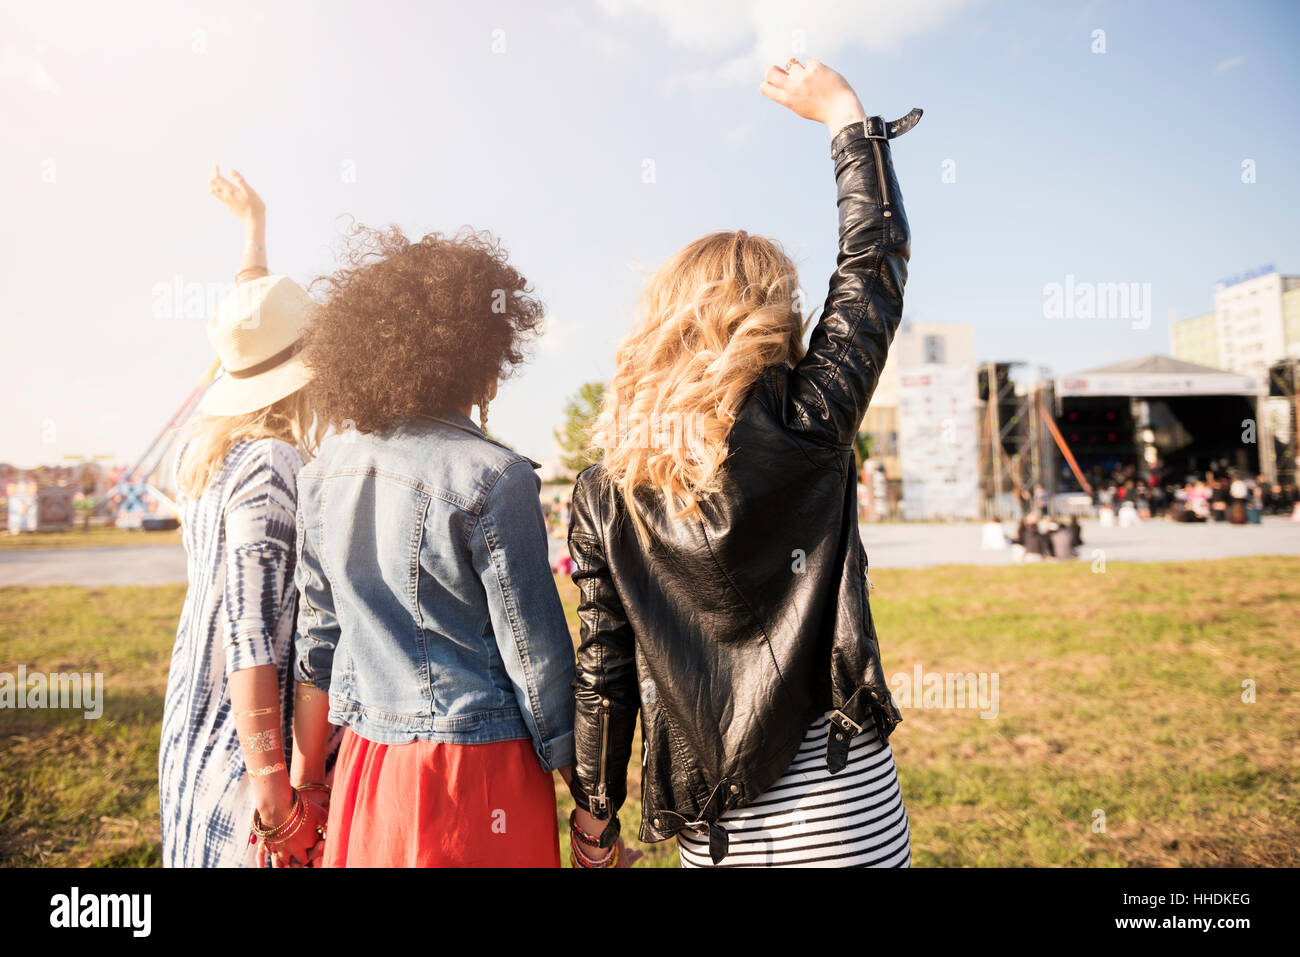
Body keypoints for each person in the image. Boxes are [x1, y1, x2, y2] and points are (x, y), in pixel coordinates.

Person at [565, 59, 916, 867]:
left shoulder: (602, 493)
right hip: (841, 799)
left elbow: (602, 670)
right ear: (769, 322)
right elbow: (873, 268)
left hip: (716, 831)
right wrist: (844, 118)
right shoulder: (810, 418)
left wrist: (594, 815)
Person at [289, 223, 577, 867]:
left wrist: (307, 785)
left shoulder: (322, 473)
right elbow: (539, 664)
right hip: (477, 772)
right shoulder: (496, 478)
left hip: (368, 762)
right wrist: (589, 803)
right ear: (479, 353)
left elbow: (317, 647)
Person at [159, 167, 332, 867]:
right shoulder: (272, 465)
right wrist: (274, 792)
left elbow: (251, 328)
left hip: (193, 728)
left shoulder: (207, 452)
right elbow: (252, 632)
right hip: (245, 763)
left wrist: (253, 233)